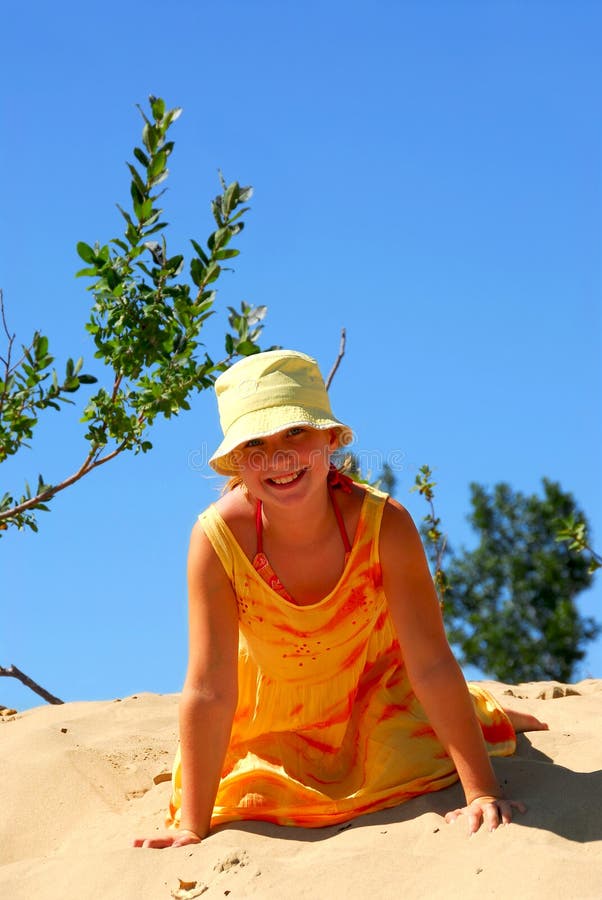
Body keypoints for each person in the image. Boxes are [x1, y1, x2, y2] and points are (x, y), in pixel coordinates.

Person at [134, 349, 547, 850]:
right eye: (256, 443)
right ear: (237, 461)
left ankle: (488, 714)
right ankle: (487, 713)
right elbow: (210, 688)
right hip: (273, 717)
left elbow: (431, 663)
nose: (279, 457)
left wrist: (481, 792)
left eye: (295, 433)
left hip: (376, 693)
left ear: (329, 439)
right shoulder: (216, 540)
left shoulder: (384, 524)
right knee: (251, 794)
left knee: (437, 747)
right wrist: (191, 828)